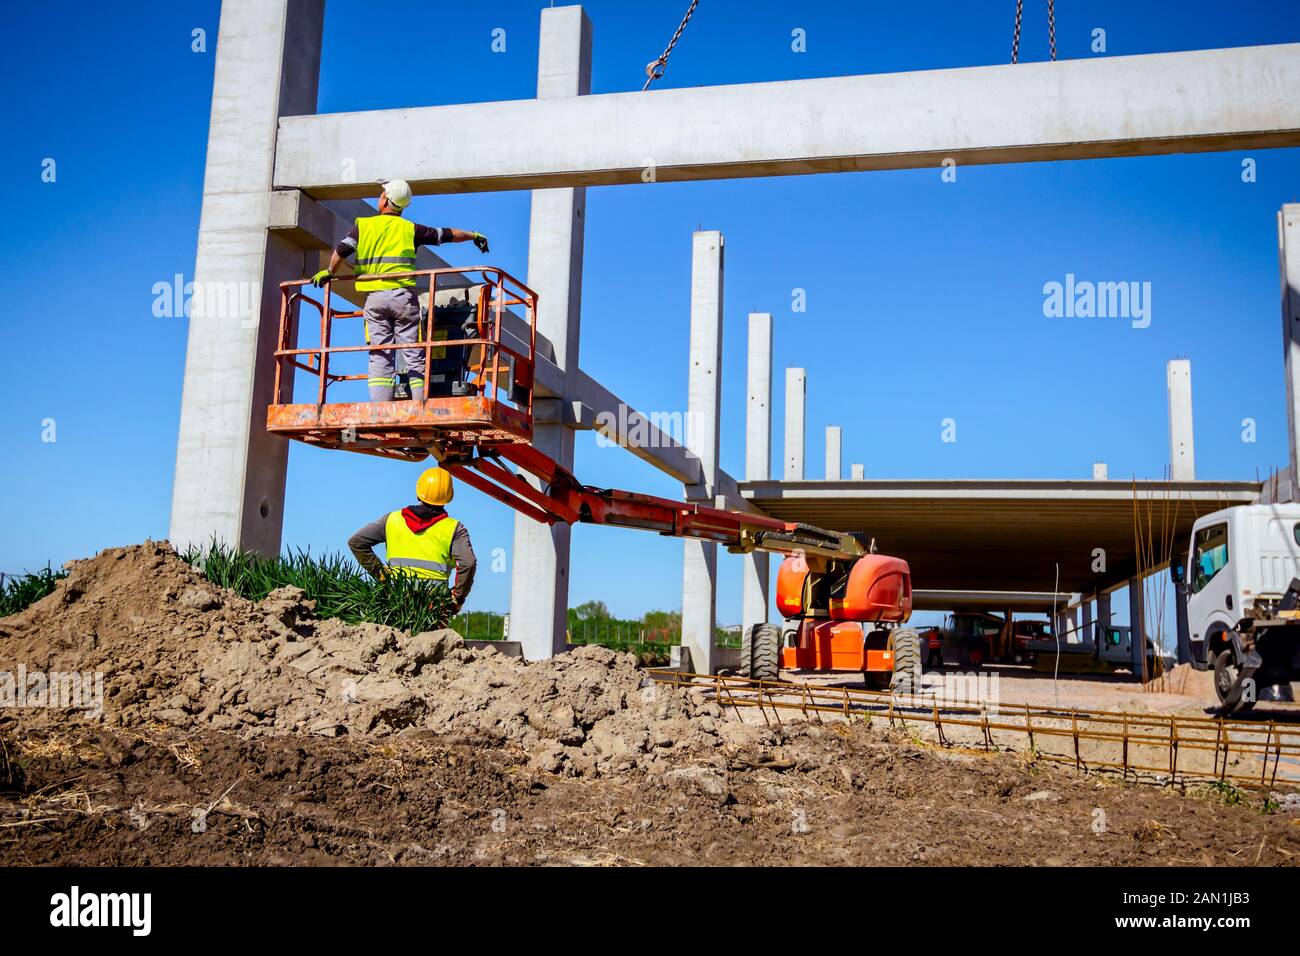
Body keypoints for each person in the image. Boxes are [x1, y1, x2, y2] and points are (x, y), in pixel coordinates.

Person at [312, 179, 489, 402]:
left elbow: (342, 249)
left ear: (385, 199)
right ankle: (419, 406)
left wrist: (329, 271)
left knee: (380, 354)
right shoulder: (410, 229)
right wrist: (473, 235)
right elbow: (445, 235)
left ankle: (380, 408)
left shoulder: (364, 226)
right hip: (403, 298)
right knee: (413, 353)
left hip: (375, 299)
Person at [348, 466, 477, 614]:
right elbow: (468, 563)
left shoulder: (392, 520)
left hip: (396, 599)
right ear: (449, 497)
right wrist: (457, 599)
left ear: (418, 492)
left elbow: (356, 542)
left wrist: (381, 573)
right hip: (433, 604)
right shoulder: (454, 528)